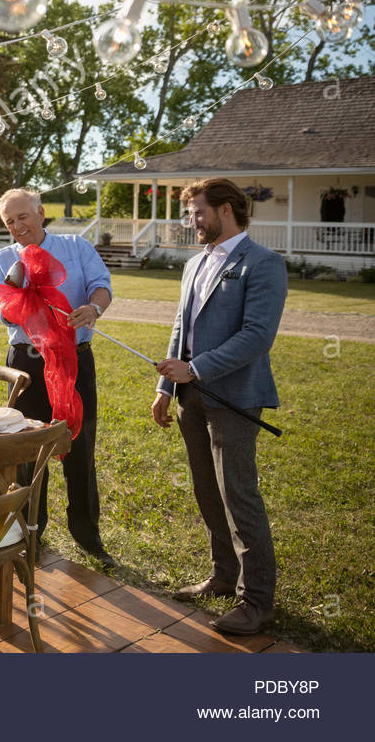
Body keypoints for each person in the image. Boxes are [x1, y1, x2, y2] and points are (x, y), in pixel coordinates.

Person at [152, 178, 286, 637]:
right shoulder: (194, 265)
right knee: (207, 491)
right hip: (189, 397)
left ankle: (258, 601)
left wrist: (197, 369)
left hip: (235, 397)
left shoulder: (264, 264)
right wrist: (165, 389)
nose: (192, 221)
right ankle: (224, 577)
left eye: (198, 211)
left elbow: (256, 337)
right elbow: (180, 327)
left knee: (238, 495)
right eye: (191, 212)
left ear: (227, 209)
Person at [0, 188, 115, 565]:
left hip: (75, 360)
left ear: (41, 213)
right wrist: (26, 284)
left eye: (22, 217)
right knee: (26, 448)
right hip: (27, 363)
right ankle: (28, 533)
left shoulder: (76, 246)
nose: (16, 226)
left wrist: (93, 308)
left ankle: (87, 535)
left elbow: (101, 286)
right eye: (9, 221)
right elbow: (7, 314)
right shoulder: (0, 260)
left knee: (80, 443)